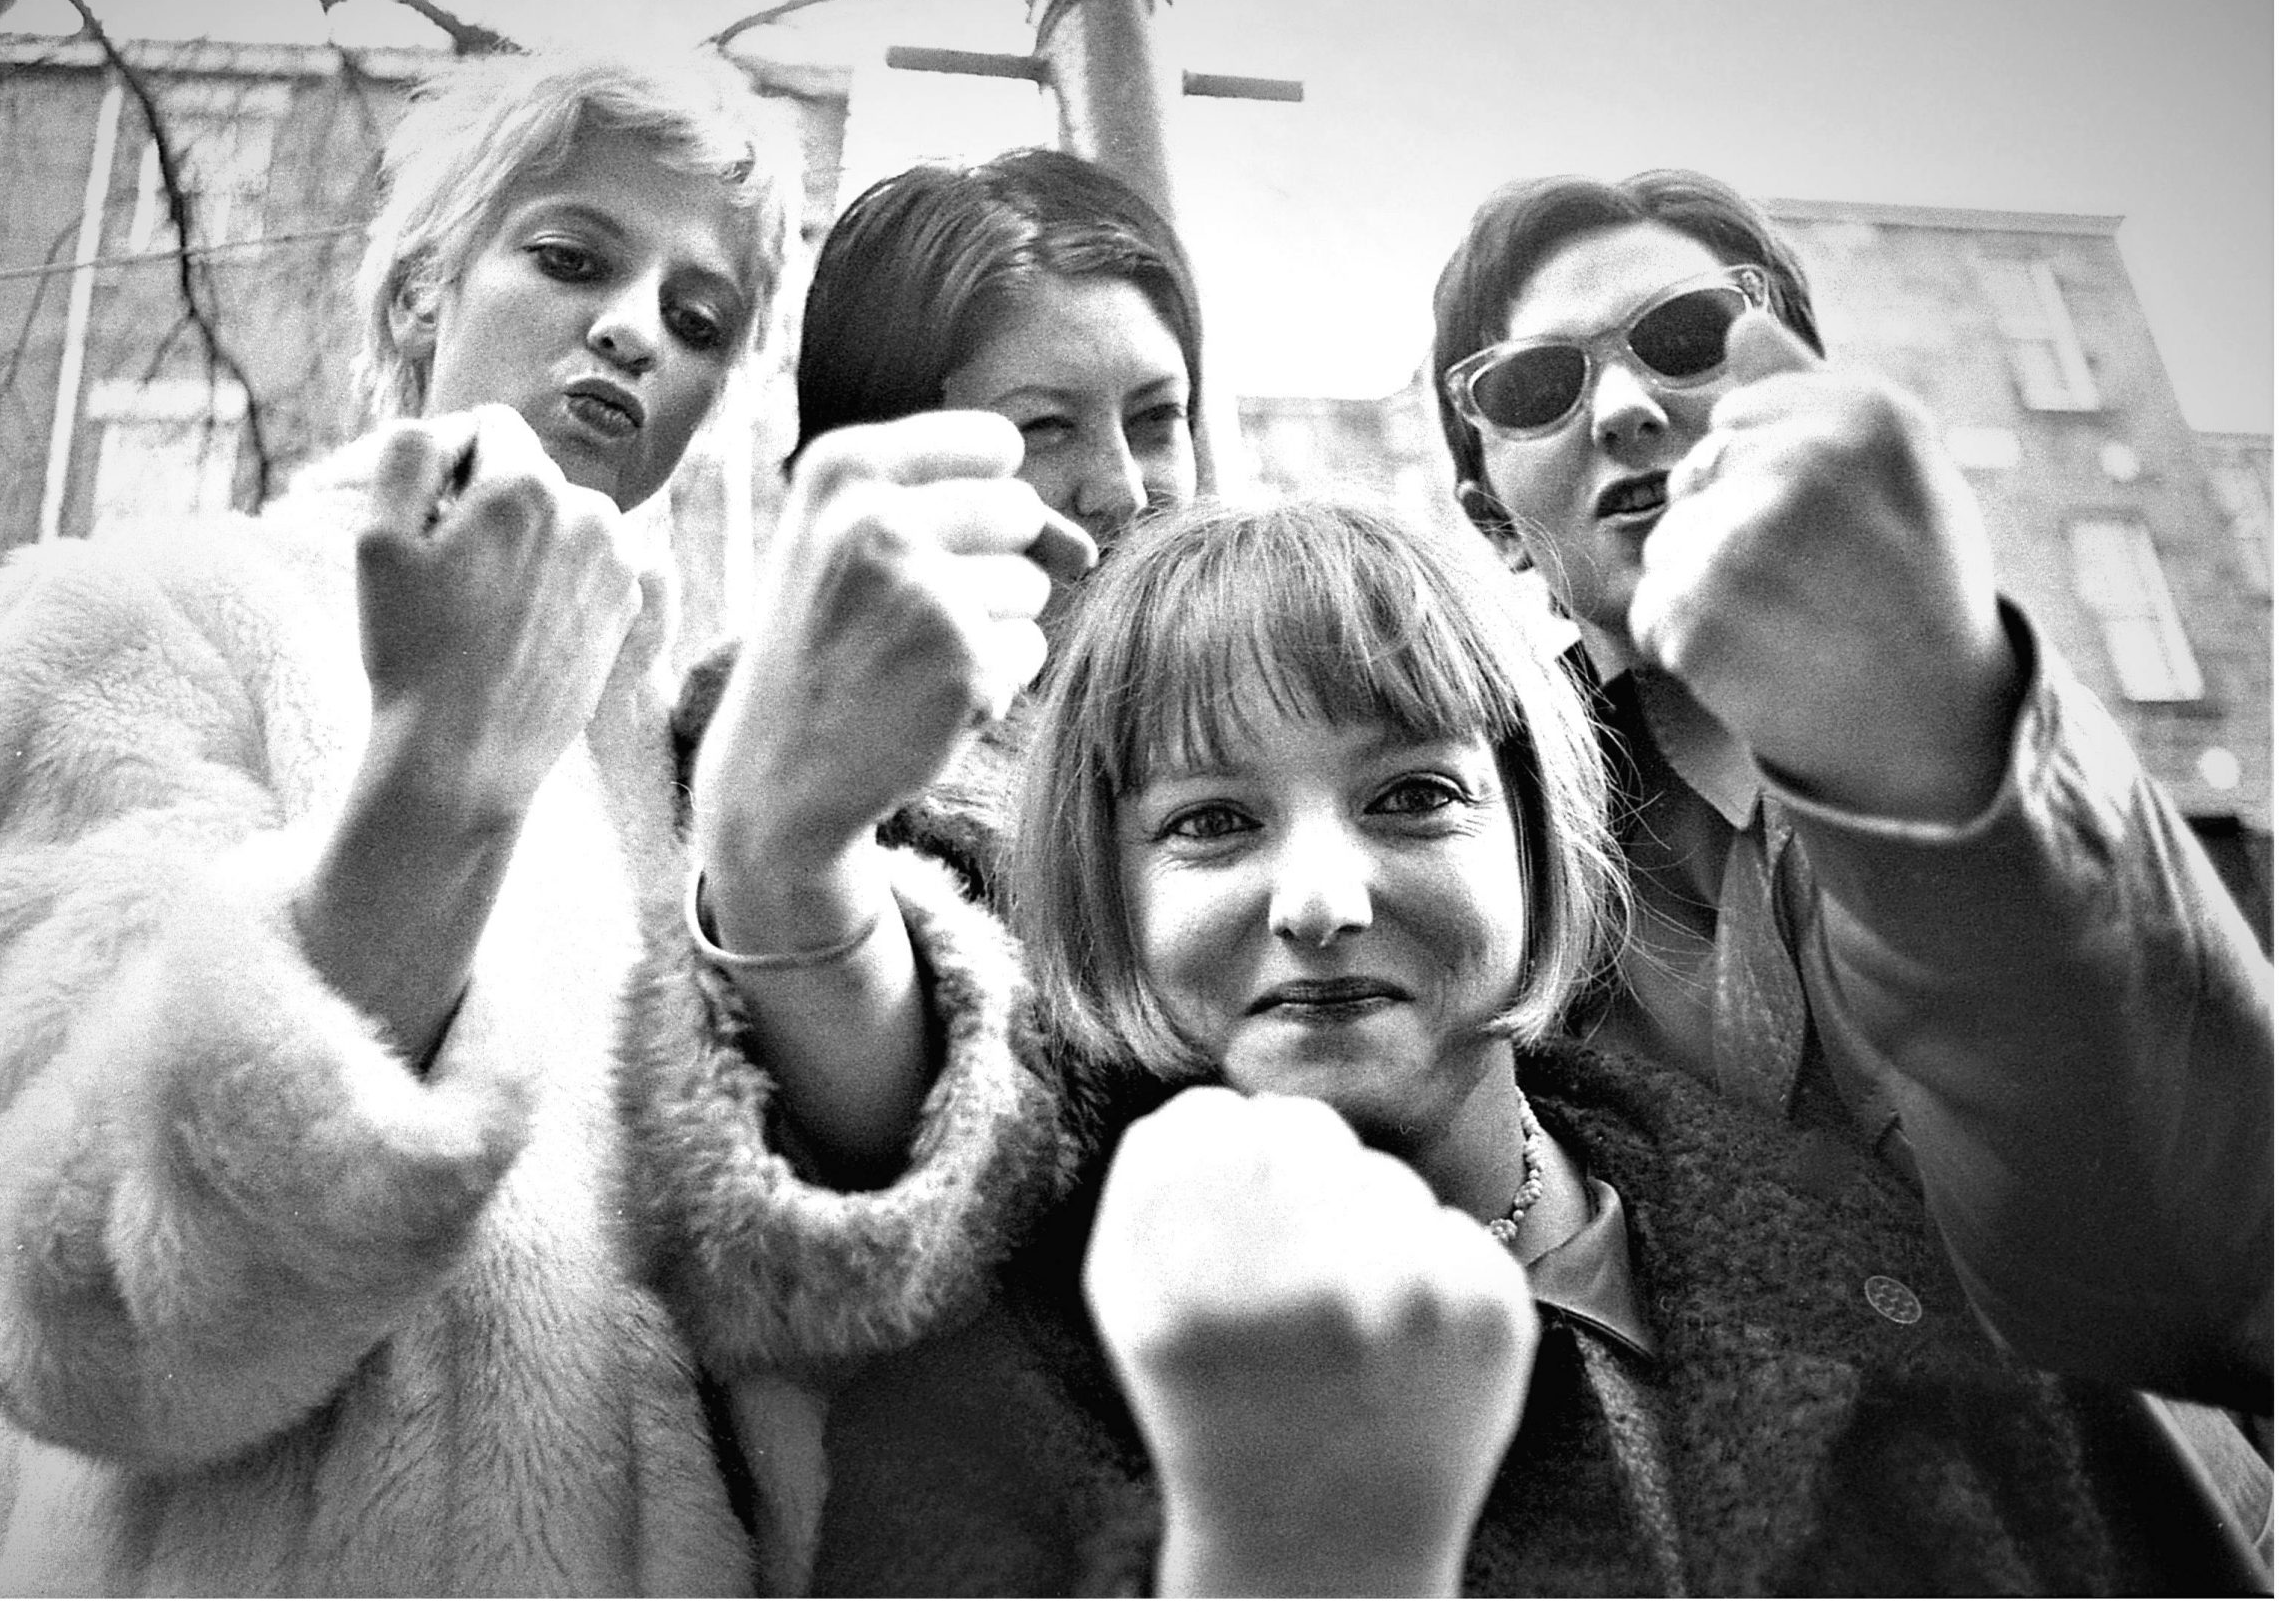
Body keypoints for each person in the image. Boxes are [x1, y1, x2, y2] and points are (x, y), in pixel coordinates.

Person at [0, 46, 1042, 1596]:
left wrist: (803, 862)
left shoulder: (705, 749)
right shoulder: (148, 624)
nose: (637, 327)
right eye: (572, 256)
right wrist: (438, 789)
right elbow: (51, 1299)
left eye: (702, 321)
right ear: (423, 289)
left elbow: (835, 1308)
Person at [798, 490, 2260, 1596]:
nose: (1319, 899)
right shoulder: (979, 1397)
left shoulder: (1888, 1266)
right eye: (1212, 823)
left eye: (1412, 796)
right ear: (1104, 892)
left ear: (1539, 839)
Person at [1425, 169, 2271, 1538]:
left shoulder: (1998, 729)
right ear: (1485, 504)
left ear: (1801, 380)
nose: (1628, 408)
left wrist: (1930, 750)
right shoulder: (1490, 869)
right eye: (1535, 387)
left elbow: (2222, 1257)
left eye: (1689, 335)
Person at [615, 147, 1208, 1589]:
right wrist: (794, 854)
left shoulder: (1243, 734)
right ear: (884, 466)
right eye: (1043, 428)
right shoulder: (781, 780)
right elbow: (918, 1122)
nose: (1124, 486)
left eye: (1157, 416)